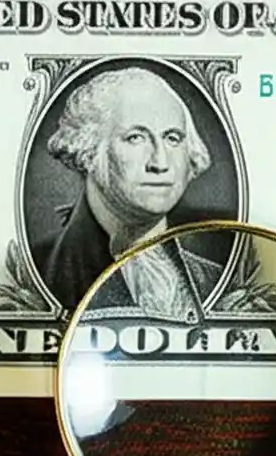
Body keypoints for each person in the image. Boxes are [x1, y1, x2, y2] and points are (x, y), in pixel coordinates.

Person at [30, 66, 231, 321]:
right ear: (88, 151)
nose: (160, 163)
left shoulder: (215, 279)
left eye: (172, 138)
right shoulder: (41, 273)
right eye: (136, 138)